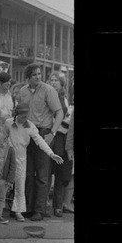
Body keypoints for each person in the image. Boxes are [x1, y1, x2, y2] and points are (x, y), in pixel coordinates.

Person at [18, 64, 64, 221]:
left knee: (42, 175)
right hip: (26, 133)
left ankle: (39, 210)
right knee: (28, 173)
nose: (38, 76)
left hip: (43, 133)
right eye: (34, 74)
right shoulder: (22, 91)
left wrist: (52, 133)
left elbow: (59, 112)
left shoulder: (48, 90)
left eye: (39, 74)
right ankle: (28, 208)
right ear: (28, 77)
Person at [4, 102, 64, 222]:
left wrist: (51, 153)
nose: (24, 118)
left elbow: (40, 141)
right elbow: (4, 136)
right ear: (16, 114)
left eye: (26, 116)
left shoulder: (30, 126)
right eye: (21, 116)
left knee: (20, 185)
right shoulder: (8, 123)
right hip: (7, 157)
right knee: (4, 183)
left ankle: (18, 211)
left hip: (21, 159)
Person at [47, 72, 74, 218]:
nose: (53, 82)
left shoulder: (64, 99)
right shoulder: (47, 96)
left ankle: (57, 206)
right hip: (49, 136)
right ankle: (43, 204)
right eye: (51, 80)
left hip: (62, 138)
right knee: (45, 173)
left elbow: (67, 120)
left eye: (56, 80)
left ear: (62, 83)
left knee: (60, 173)